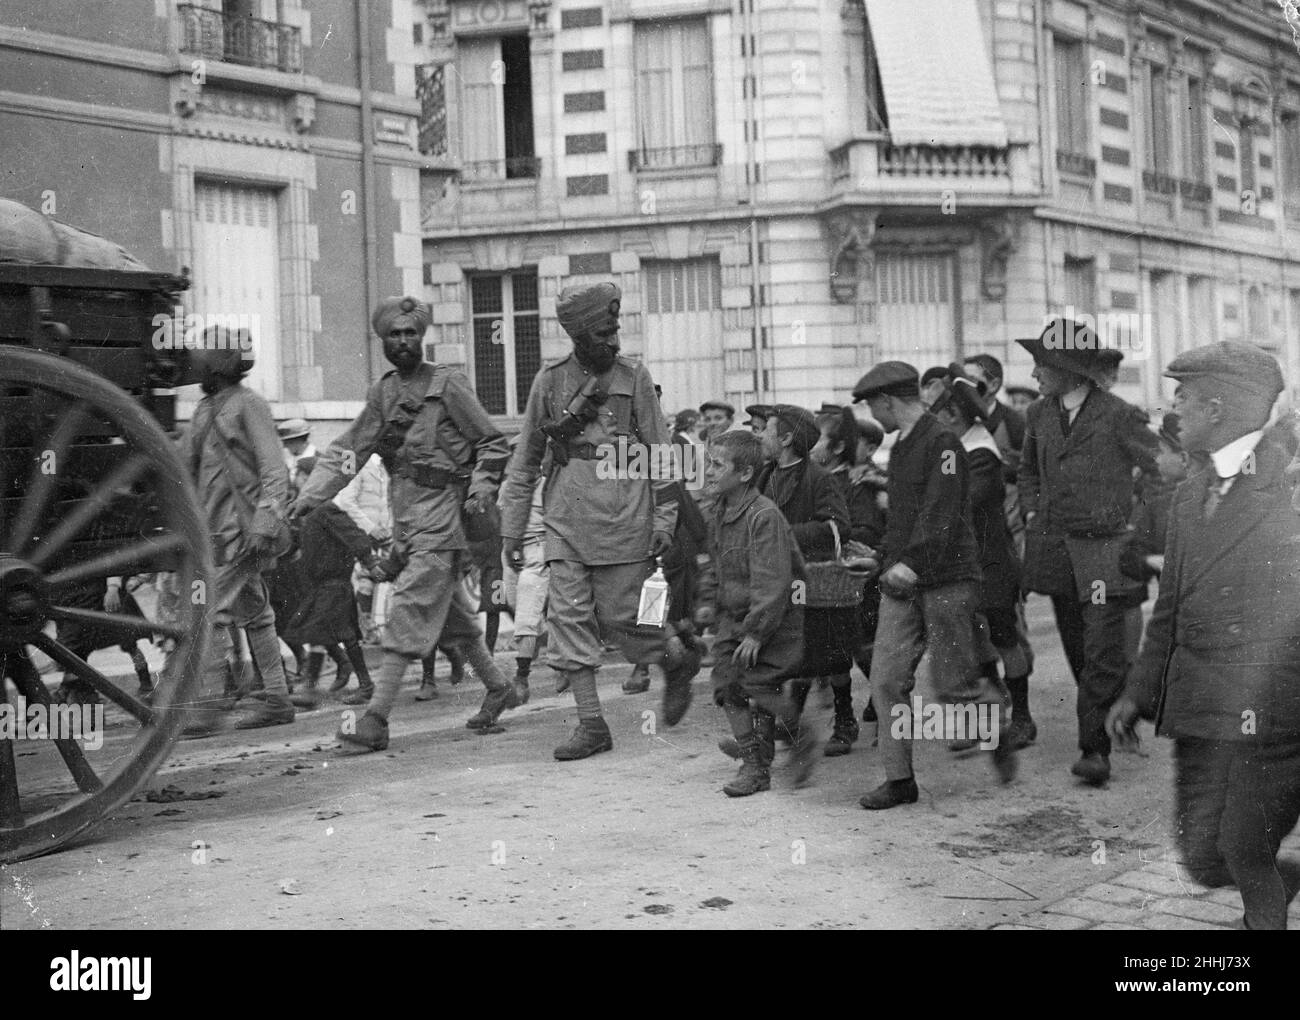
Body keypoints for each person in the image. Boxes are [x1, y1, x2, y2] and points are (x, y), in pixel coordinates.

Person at [1107, 342, 1300, 930]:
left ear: (1216, 408)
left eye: (1183, 396)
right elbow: (1168, 610)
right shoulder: (1190, 494)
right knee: (1203, 857)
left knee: (1243, 842)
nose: (1174, 409)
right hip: (1200, 706)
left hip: (1267, 711)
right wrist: (1138, 693)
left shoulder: (1288, 493)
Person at [293, 296, 517, 752]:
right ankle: (498, 687)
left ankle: (375, 719)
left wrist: (480, 489)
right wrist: (308, 498)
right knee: (454, 621)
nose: (403, 341)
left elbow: (493, 443)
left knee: (407, 613)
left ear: (422, 336)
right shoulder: (384, 394)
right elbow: (348, 450)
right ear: (383, 342)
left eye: (410, 333)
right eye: (394, 335)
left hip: (444, 524)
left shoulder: (449, 385)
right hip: (408, 523)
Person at [498, 281, 703, 760]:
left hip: (625, 516)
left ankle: (675, 658)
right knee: (566, 618)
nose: (613, 342)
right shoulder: (549, 382)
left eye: (615, 331)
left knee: (623, 620)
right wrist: (512, 527)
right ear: (577, 335)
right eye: (602, 334)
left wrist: (665, 517)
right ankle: (592, 725)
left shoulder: (635, 378)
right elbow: (525, 458)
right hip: (565, 518)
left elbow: (662, 456)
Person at [851, 361, 1016, 809]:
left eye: (872, 404)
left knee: (953, 683)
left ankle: (996, 725)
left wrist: (910, 563)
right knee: (885, 679)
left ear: (887, 401)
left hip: (947, 580)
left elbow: (943, 513)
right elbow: (904, 517)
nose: (872, 414)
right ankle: (900, 780)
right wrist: (881, 558)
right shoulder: (903, 446)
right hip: (903, 582)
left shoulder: (943, 443)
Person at [1017, 318, 1158, 785]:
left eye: (1042, 364)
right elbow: (1027, 472)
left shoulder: (1119, 414)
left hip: (1103, 551)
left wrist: (1137, 526)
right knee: (1077, 644)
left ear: (1069, 369)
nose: (1035, 374)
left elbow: (1160, 470)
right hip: (1056, 549)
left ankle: (1093, 750)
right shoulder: (1039, 415)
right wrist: (1036, 511)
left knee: (1100, 647)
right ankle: (1112, 715)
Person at [178, 326, 296, 734]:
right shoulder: (204, 410)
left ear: (220, 363)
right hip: (214, 531)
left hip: (242, 532)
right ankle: (278, 698)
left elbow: (274, 469)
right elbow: (185, 466)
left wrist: (266, 523)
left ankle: (208, 707)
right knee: (256, 613)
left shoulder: (250, 405)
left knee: (209, 612)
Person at [696, 431, 812, 796]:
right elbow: (716, 566)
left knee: (756, 685)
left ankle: (798, 733)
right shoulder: (720, 512)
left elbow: (773, 580)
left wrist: (757, 632)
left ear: (745, 474)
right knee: (727, 685)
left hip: (773, 619)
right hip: (737, 619)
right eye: (708, 463)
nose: (709, 472)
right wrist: (707, 602)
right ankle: (754, 759)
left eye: (717, 465)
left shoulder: (764, 516)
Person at [929, 367, 1034, 750]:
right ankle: (987, 720)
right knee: (973, 643)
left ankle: (1022, 717)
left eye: (938, 414)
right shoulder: (955, 449)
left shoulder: (981, 455)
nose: (935, 422)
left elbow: (962, 505)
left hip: (993, 565)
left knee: (1005, 640)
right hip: (966, 566)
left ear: (953, 415)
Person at [810, 406, 885, 754]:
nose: (810, 447)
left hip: (857, 581)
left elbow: (867, 530)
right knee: (833, 654)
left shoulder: (855, 484)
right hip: (824, 580)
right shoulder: (813, 481)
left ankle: (887, 709)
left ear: (837, 448)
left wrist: (831, 537)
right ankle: (845, 720)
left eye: (817, 440)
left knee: (865, 650)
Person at [285, 502, 376, 708]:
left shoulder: (325, 510)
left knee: (325, 632)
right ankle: (363, 682)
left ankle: (312, 688)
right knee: (341, 634)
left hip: (335, 583)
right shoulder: (307, 517)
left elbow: (355, 536)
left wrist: (369, 561)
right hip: (320, 586)